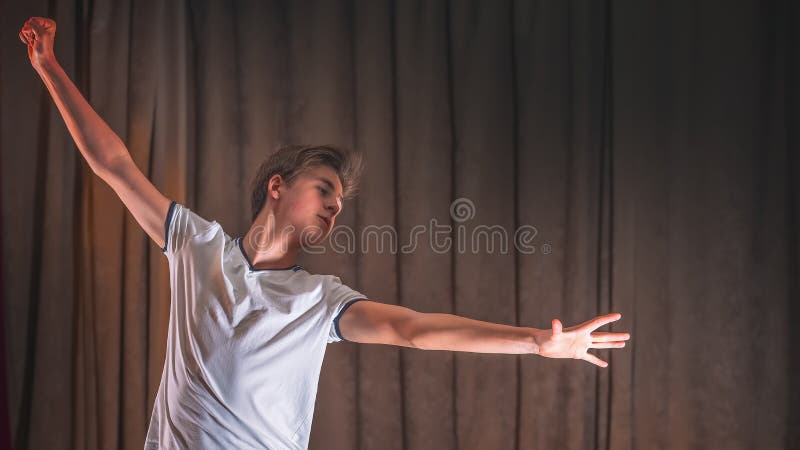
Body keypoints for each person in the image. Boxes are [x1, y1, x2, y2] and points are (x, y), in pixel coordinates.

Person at [19, 16, 632, 450]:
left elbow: (412, 330)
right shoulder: (196, 246)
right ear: (278, 187)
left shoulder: (319, 301)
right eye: (325, 190)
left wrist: (537, 343)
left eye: (340, 203)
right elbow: (115, 165)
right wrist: (48, 68)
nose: (335, 209)